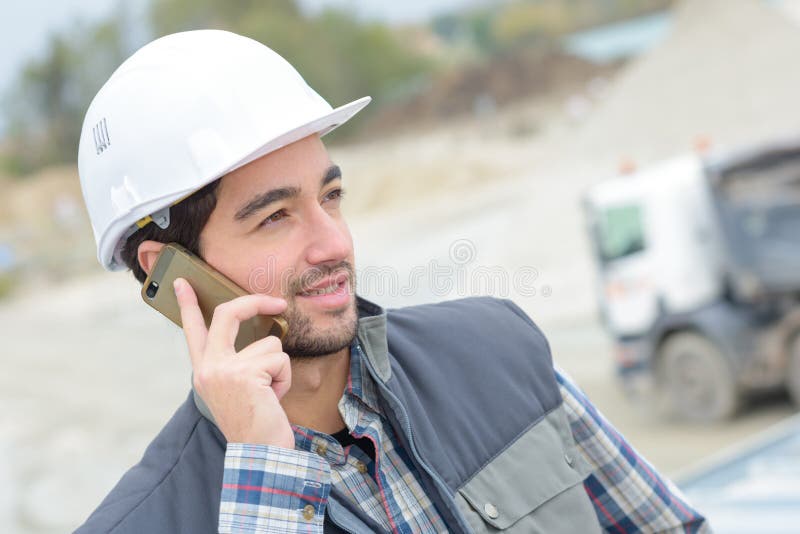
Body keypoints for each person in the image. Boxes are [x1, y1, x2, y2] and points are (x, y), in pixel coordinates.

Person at [74, 30, 709, 533]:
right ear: (168, 271)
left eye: (332, 195)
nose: (334, 243)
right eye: (275, 217)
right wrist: (267, 477)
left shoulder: (500, 352)